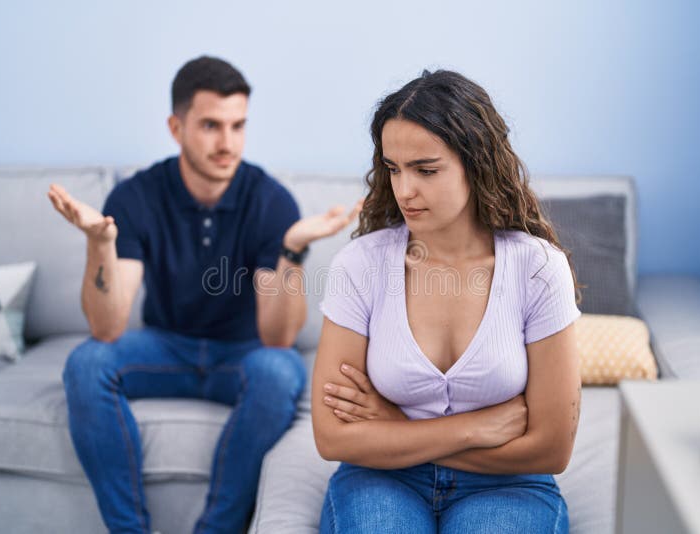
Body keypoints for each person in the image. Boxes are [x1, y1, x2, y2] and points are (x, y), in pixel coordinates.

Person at [47, 56, 360, 534]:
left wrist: (291, 249)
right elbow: (107, 328)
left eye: (238, 126)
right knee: (86, 363)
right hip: (164, 347)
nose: (227, 143)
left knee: (280, 370)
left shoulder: (271, 201)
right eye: (211, 125)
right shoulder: (135, 197)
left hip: (243, 353)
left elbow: (277, 337)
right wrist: (100, 243)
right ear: (176, 128)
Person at [312, 69, 583, 533]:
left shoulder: (538, 268)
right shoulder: (360, 264)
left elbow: (552, 449)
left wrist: (395, 428)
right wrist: (471, 429)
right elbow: (332, 437)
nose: (404, 190)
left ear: (476, 165)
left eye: (426, 170)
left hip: (509, 484)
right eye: (393, 169)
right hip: (382, 477)